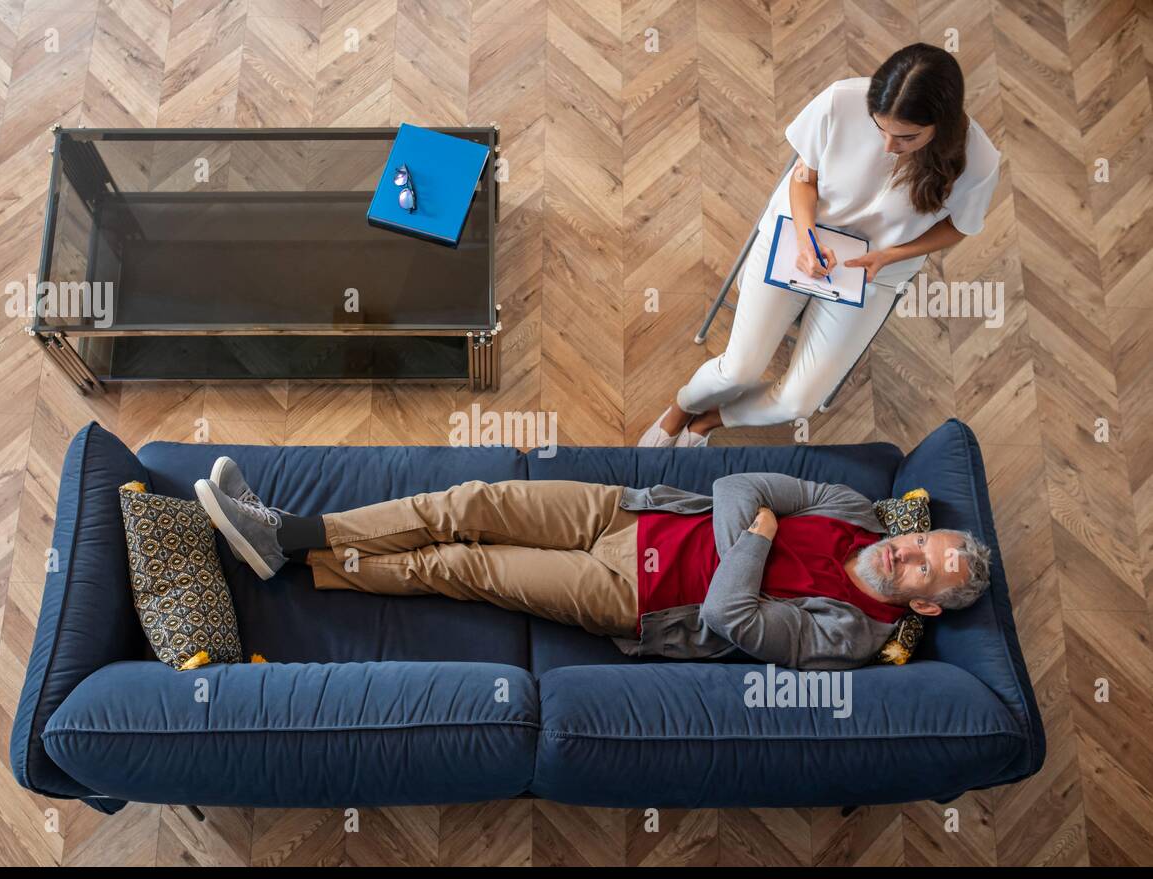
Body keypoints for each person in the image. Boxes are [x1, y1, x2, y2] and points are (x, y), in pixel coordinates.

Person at [194, 457, 992, 670]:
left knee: (460, 566)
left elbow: (727, 619)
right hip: (628, 511)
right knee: (468, 503)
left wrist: (754, 537)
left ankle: (286, 556)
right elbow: (736, 484)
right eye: (924, 540)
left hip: (631, 596)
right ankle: (290, 534)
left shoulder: (852, 635)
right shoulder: (854, 511)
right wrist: (746, 531)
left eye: (928, 567)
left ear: (923, 607)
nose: (909, 546)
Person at [640, 43, 1001, 445]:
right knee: (738, 369)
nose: (887, 146)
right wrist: (805, 236)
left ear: (942, 125)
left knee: (798, 402)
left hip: (874, 270)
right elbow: (803, 179)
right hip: (799, 232)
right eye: (879, 127)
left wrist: (891, 255)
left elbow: (959, 226)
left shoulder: (979, 160)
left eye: (906, 137)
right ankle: (680, 409)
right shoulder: (840, 101)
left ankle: (710, 421)